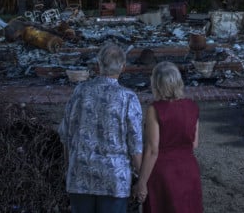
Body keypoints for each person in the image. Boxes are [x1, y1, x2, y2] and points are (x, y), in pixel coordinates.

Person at [58, 43, 143, 213]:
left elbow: (66, 135)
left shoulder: (80, 92)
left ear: (98, 65)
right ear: (123, 67)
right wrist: (142, 180)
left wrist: (69, 168)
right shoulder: (128, 98)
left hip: (80, 175)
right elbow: (135, 145)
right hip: (114, 180)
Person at [135, 61, 203, 212]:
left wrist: (142, 182)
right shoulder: (193, 106)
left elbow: (152, 150)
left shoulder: (155, 109)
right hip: (189, 170)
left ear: (156, 84)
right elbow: (194, 143)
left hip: (163, 173)